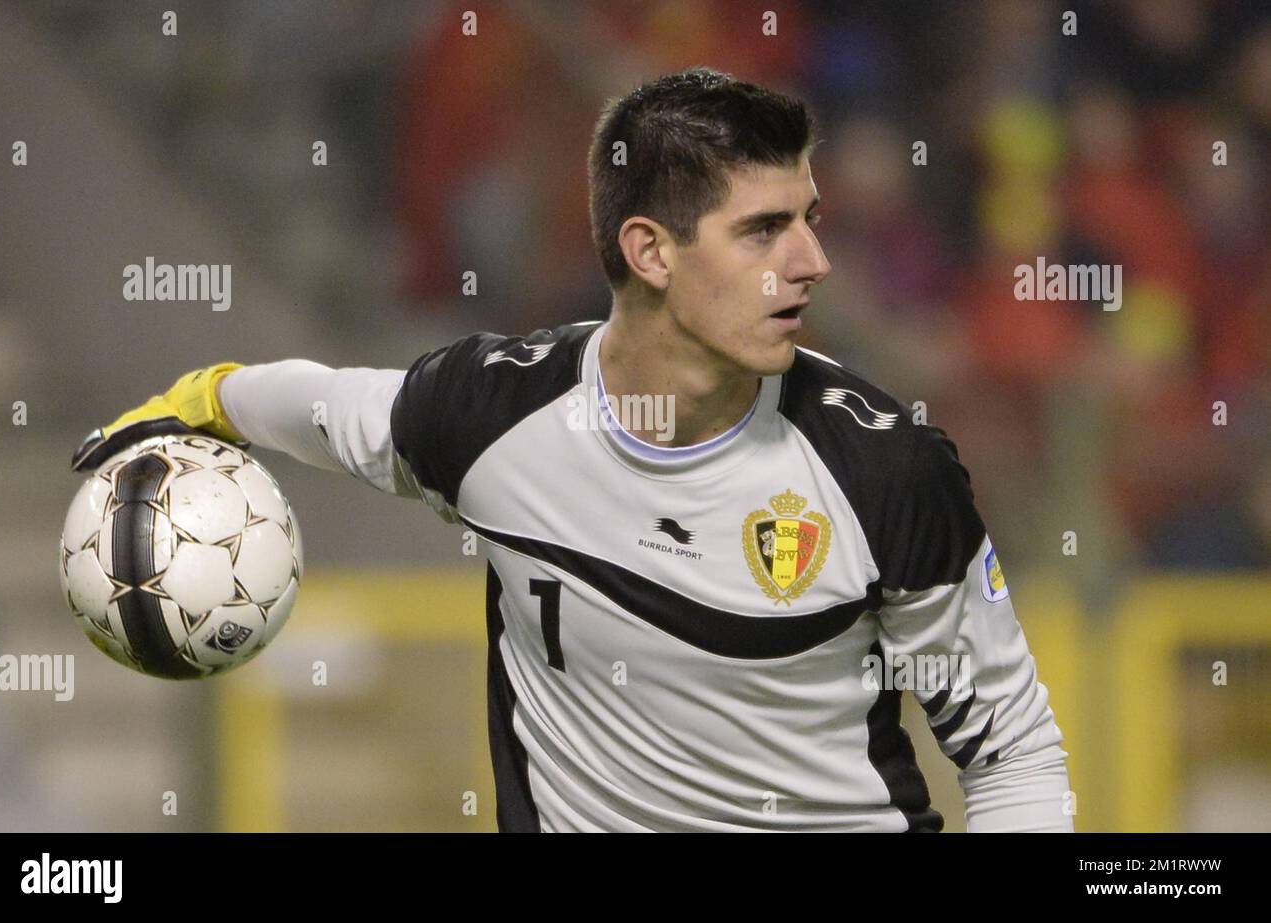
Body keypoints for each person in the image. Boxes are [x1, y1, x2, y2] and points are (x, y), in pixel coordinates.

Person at [72, 68, 1071, 832]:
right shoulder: (490, 411)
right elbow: (326, 406)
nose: (812, 261)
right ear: (649, 251)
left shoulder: (885, 469)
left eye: (808, 221)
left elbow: (1013, 753)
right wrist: (200, 401)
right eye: (763, 230)